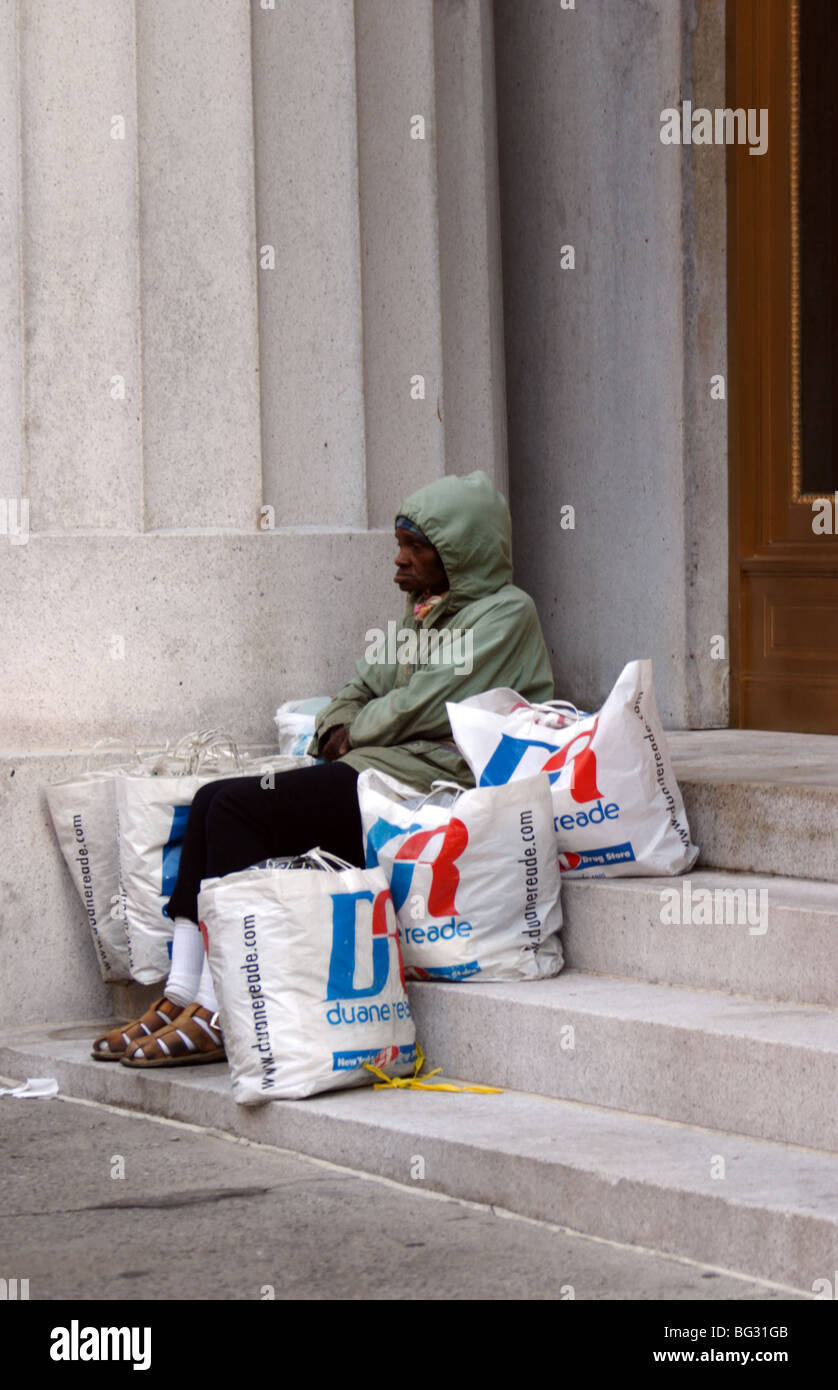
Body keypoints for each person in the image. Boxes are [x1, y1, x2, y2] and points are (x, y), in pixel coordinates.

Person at [91, 470, 554, 1067]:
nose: (400, 561)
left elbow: (427, 703)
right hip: (380, 769)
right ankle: (182, 992)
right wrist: (341, 724)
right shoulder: (422, 613)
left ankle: (218, 1007)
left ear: (461, 553)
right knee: (210, 800)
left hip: (428, 784)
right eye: (400, 544)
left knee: (237, 807)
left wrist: (353, 730)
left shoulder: (506, 613)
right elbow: (360, 686)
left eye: (418, 548)